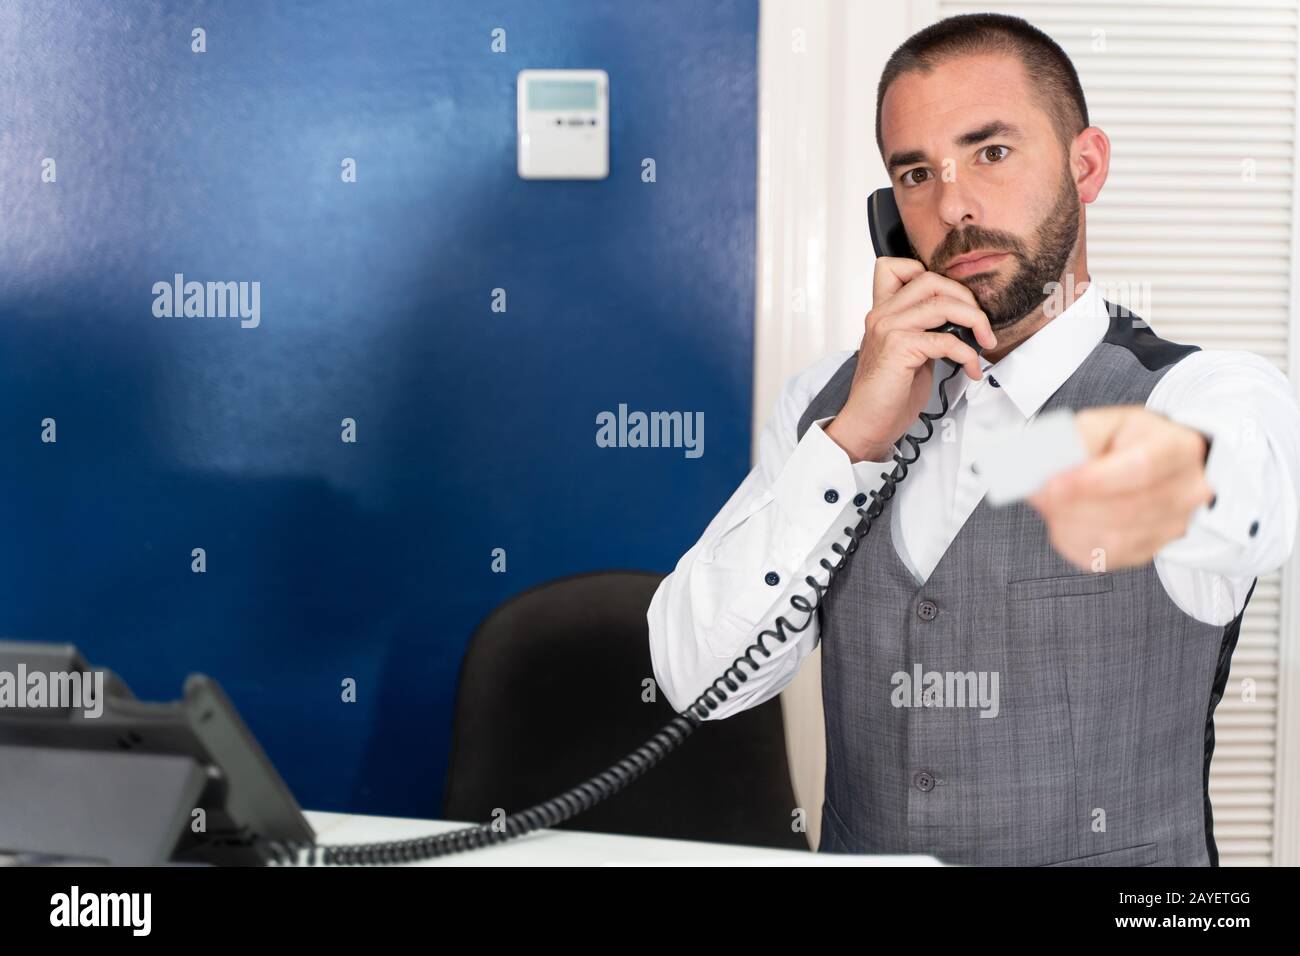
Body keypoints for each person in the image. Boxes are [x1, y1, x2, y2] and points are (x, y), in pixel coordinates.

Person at [647, 12, 1300, 866]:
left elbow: (1250, 503)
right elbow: (694, 681)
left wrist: (1033, 451)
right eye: (916, 173)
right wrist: (852, 444)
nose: (952, 205)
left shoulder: (1205, 392)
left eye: (992, 152)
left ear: (1086, 164)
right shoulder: (827, 404)